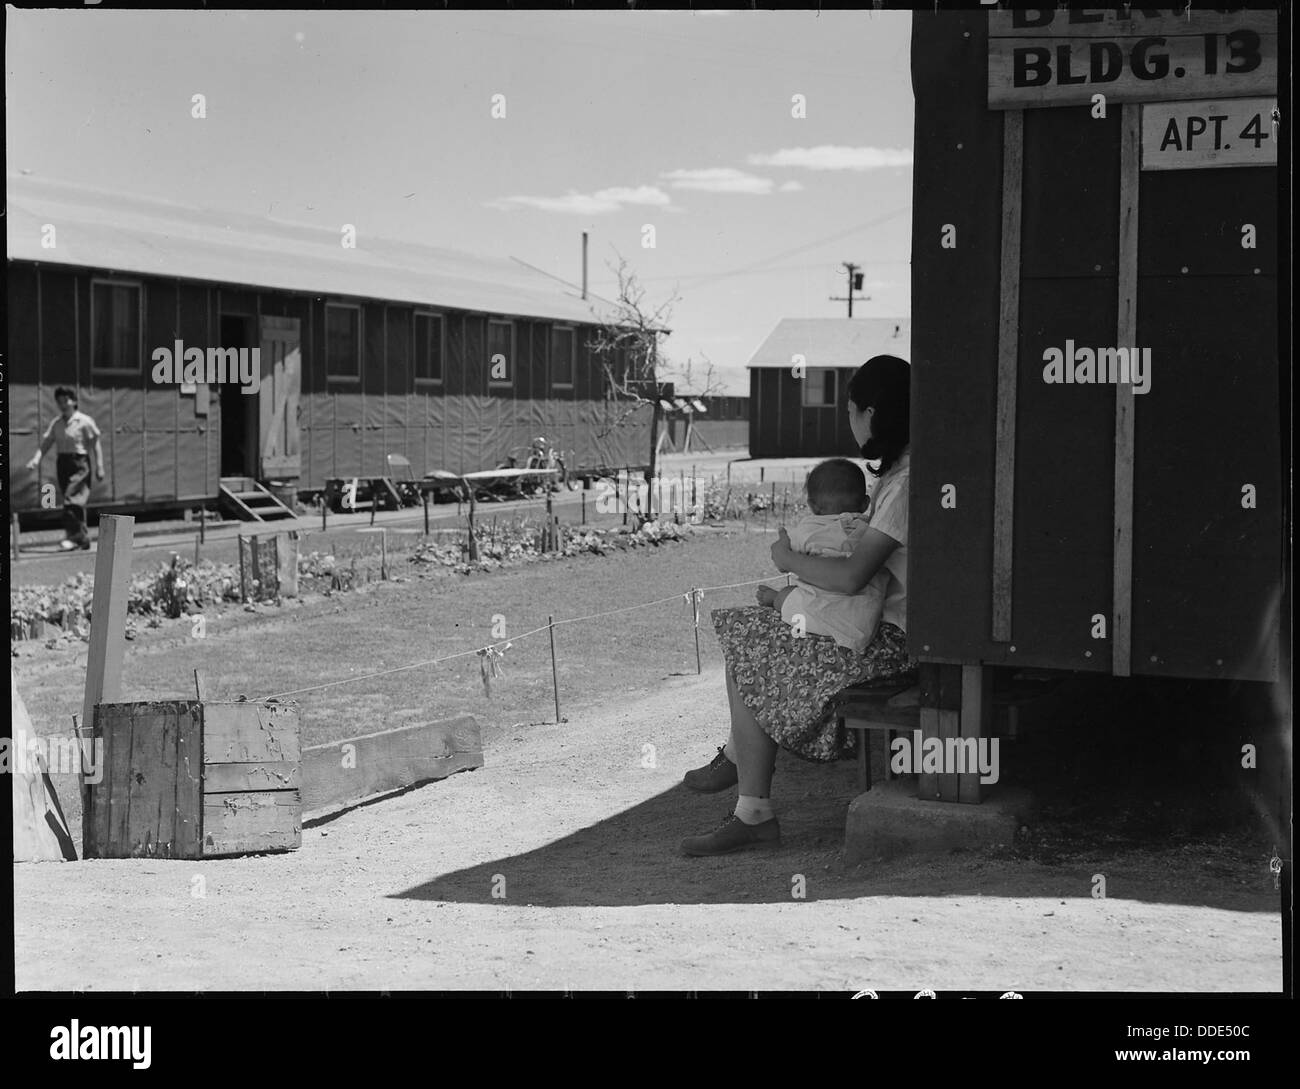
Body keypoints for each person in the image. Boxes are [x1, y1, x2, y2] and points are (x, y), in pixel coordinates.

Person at [681, 355, 913, 856]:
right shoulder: (899, 476)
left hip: (893, 642)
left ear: (872, 413)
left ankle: (749, 794)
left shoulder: (903, 487)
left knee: (749, 638)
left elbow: (852, 577)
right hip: (887, 628)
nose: (850, 422)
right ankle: (743, 781)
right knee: (754, 631)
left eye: (852, 411)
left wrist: (787, 557)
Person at [755, 457, 887, 655]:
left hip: (817, 614)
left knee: (787, 593)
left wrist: (783, 544)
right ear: (866, 503)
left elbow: (783, 561)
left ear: (812, 506)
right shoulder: (873, 530)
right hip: (863, 623)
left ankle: (774, 598)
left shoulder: (808, 530)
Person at [26, 387, 104, 551]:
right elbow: (47, 443)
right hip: (63, 462)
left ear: (74, 401)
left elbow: (95, 442)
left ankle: (73, 537)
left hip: (79, 462)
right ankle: (82, 538)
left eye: (66, 401)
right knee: (74, 503)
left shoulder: (84, 421)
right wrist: (36, 458)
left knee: (72, 500)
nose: (62, 405)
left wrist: (100, 466)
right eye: (59, 402)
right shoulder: (57, 423)